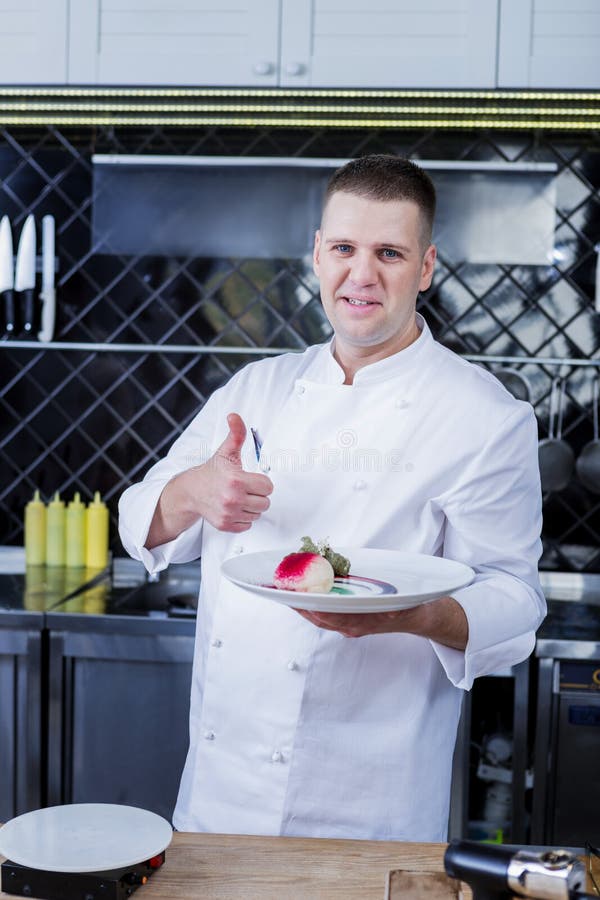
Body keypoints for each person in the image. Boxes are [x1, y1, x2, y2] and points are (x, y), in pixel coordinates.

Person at [118, 154, 544, 842]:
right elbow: (140, 520)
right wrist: (197, 492)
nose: (362, 274)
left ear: (427, 267)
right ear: (317, 254)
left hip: (369, 810)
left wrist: (412, 616)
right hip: (217, 806)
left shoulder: (484, 416)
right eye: (344, 248)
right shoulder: (255, 389)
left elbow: (517, 602)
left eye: (390, 253)